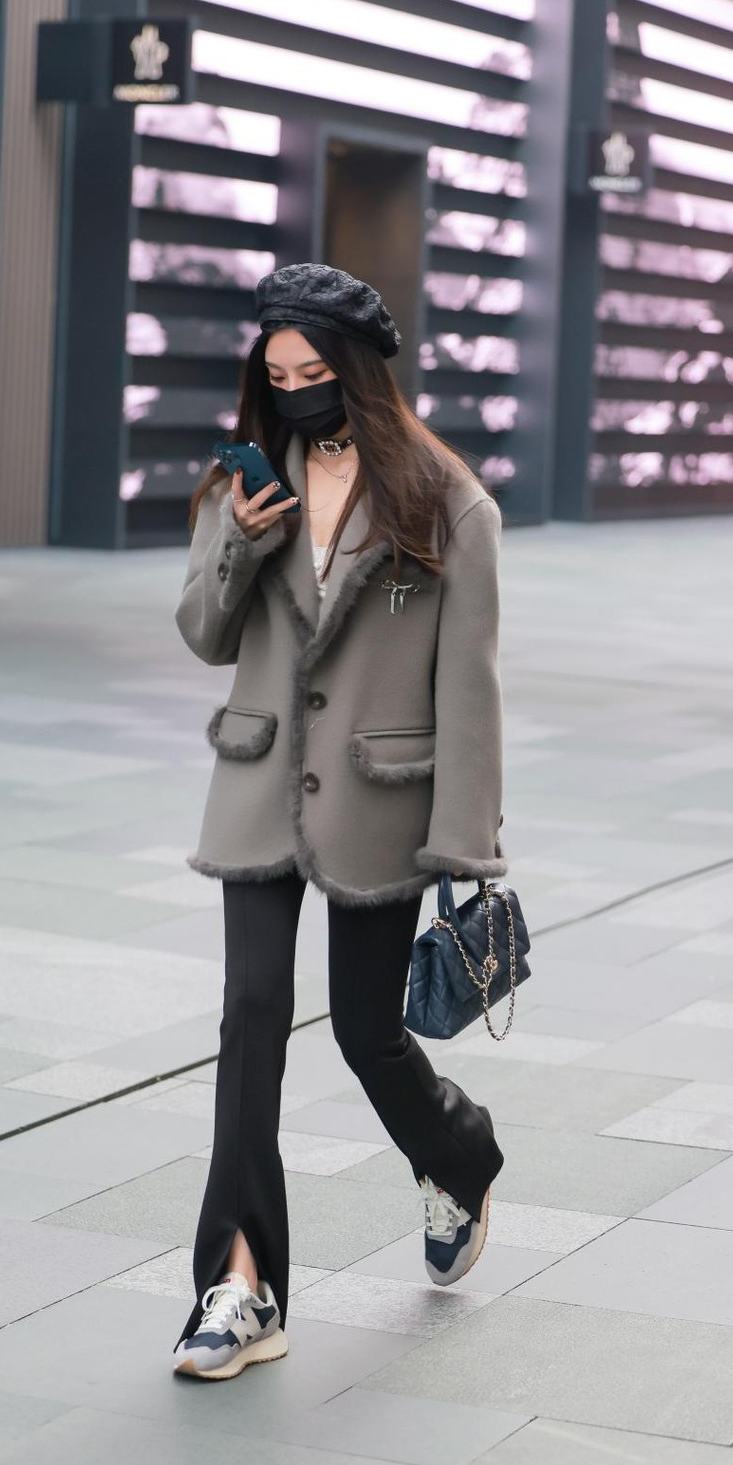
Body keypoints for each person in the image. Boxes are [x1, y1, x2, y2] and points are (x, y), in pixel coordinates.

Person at [171, 263, 506, 1380]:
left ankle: (460, 1153)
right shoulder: (245, 481)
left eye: (316, 373)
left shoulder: (444, 498)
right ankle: (240, 1285)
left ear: (358, 372)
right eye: (279, 374)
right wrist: (242, 541)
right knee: (250, 1019)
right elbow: (207, 635)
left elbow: (470, 684)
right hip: (259, 781)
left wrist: (466, 841)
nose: (298, 390)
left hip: (380, 798)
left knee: (369, 1035)